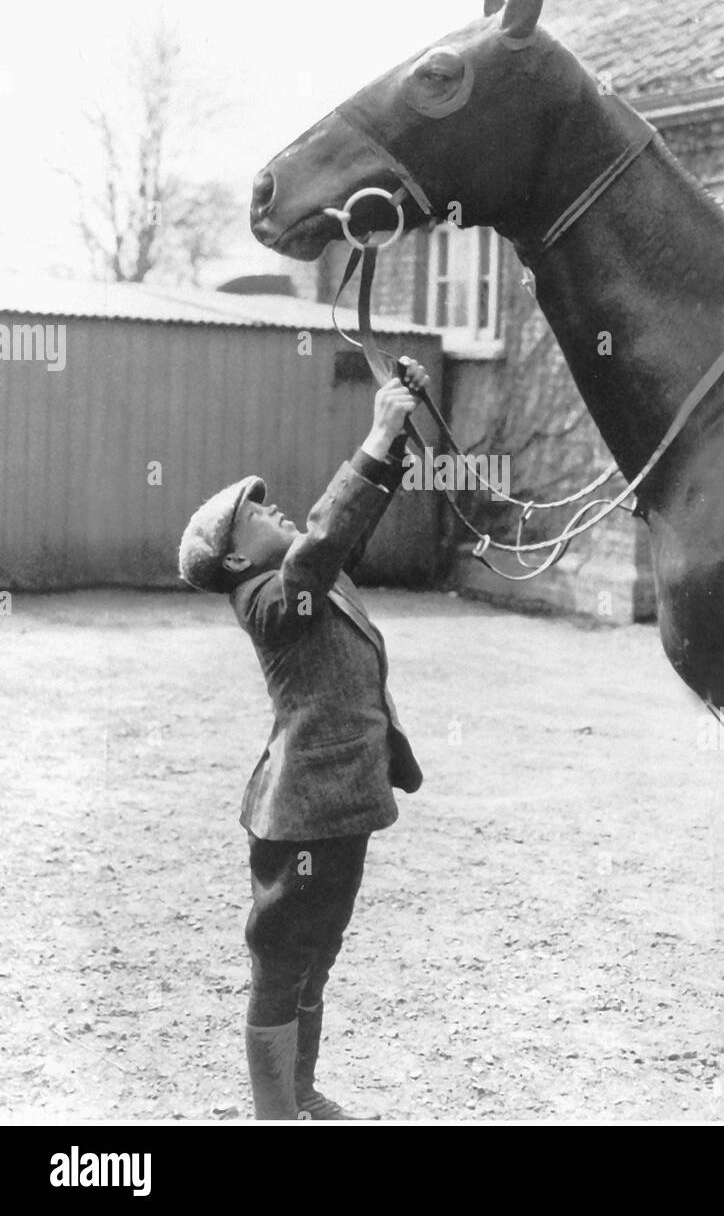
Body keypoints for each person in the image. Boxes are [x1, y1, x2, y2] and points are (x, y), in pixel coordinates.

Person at [177, 361, 428, 1120]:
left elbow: (339, 531)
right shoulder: (267, 596)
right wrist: (375, 432)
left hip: (344, 801)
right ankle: (274, 1113)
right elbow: (320, 548)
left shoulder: (306, 575)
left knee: (320, 955)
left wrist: (394, 440)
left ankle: (302, 1090)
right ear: (233, 559)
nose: (270, 504)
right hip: (300, 815)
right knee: (282, 960)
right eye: (254, 510)